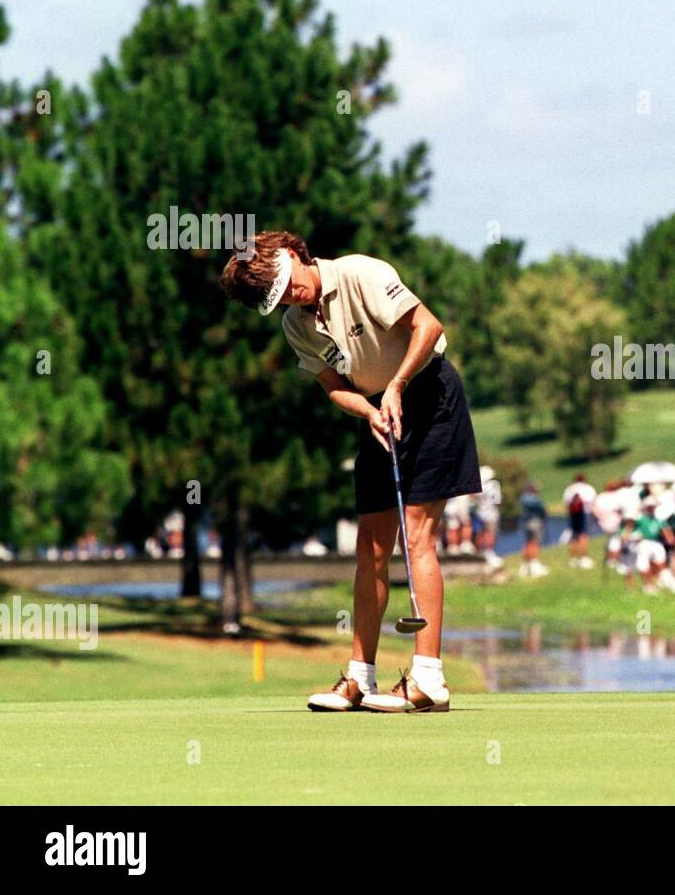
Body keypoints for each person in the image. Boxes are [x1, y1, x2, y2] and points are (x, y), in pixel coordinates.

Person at [220, 230, 479, 714]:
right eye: (279, 300)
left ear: (294, 253)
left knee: (417, 535)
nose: (292, 298)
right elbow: (333, 387)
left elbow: (428, 326)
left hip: (430, 394)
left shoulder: (362, 272)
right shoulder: (297, 324)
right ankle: (361, 677)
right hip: (378, 410)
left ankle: (429, 680)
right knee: (371, 546)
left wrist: (397, 386)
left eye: (288, 285)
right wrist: (368, 410)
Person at [562, 473, 597, 570]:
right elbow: (593, 502)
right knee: (583, 535)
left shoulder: (569, 489)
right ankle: (583, 558)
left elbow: (566, 503)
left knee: (573, 536)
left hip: (572, 514)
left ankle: (573, 559)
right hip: (584, 513)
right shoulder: (588, 488)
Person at [518, 483, 549, 577]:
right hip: (535, 521)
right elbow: (542, 510)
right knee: (535, 543)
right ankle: (534, 565)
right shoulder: (535, 499)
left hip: (526, 522)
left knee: (528, 543)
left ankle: (525, 565)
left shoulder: (522, 498)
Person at [475, 466, 503, 569]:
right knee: (491, 533)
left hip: (480, 513)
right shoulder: (494, 485)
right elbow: (497, 501)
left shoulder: (479, 486)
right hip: (491, 514)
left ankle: (481, 551)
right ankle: (490, 553)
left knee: (481, 533)